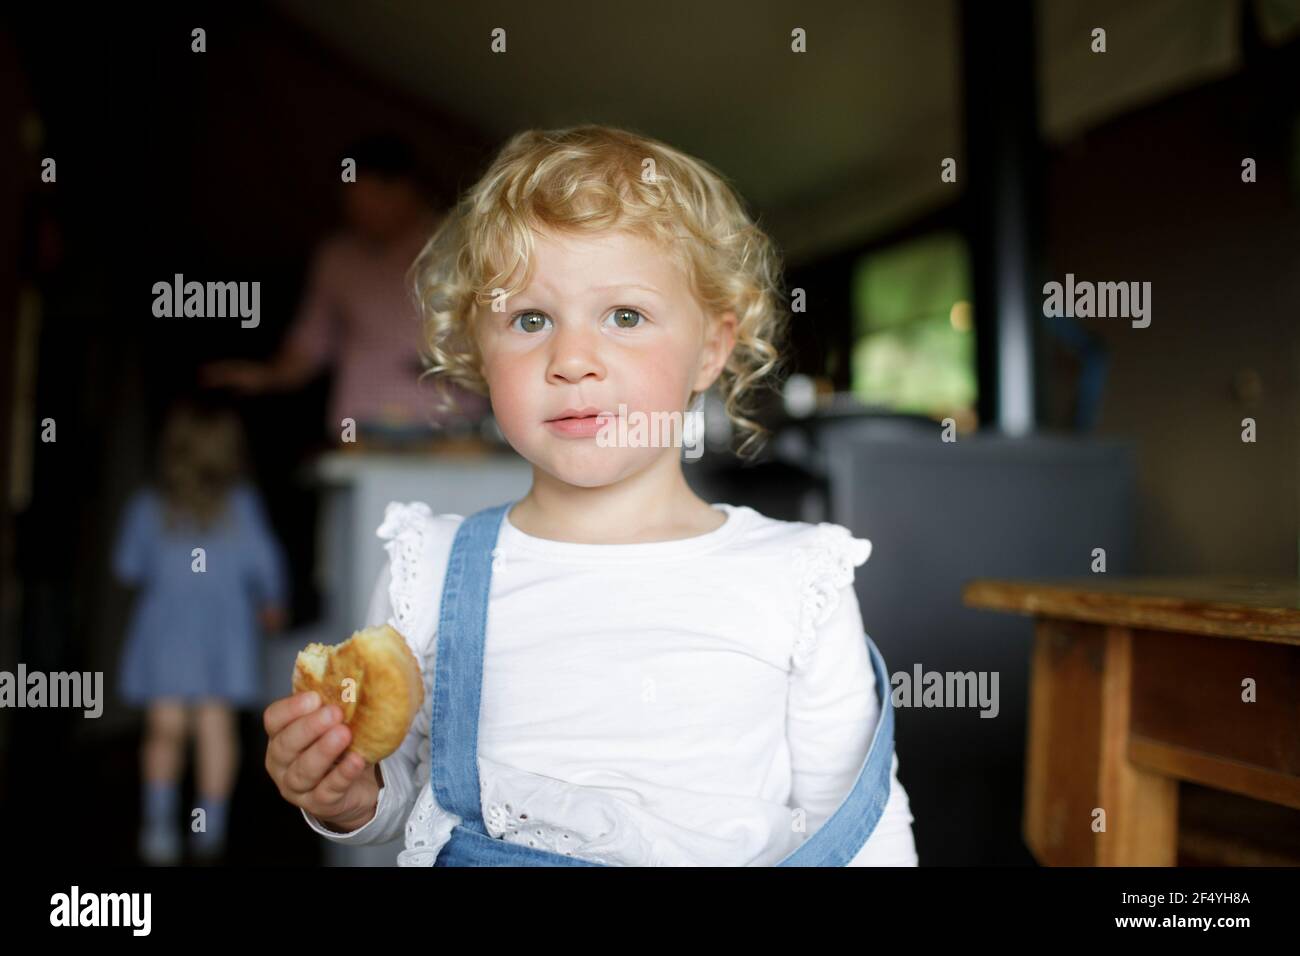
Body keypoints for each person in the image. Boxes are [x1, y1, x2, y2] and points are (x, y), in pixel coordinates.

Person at [262, 125, 918, 865]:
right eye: (530, 319)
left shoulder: (798, 579)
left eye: (626, 316)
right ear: (479, 349)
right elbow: (408, 801)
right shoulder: (433, 569)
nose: (572, 359)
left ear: (711, 347)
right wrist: (349, 800)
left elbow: (860, 832)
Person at [199, 132, 488, 438]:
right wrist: (265, 376)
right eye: (351, 202)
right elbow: (310, 342)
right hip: (362, 429)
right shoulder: (336, 257)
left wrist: (461, 368)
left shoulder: (463, 247)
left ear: (404, 189)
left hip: (451, 429)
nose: (359, 214)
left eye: (370, 200)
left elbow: (501, 325)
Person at [113, 394, 289, 864]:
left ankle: (158, 829)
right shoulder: (243, 505)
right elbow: (266, 565)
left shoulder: (148, 506)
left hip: (167, 634)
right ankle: (208, 831)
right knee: (216, 729)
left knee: (164, 729)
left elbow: (128, 568)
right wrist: (272, 603)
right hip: (223, 635)